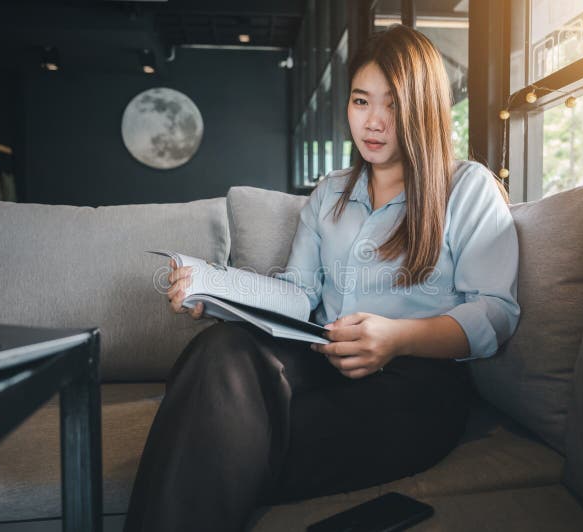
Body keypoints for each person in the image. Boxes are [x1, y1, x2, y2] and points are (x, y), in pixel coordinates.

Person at [123, 24, 519, 532]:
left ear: (424, 107)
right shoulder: (330, 193)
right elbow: (299, 293)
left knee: (217, 441)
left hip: (414, 383)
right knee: (219, 347)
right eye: (361, 101)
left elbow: (496, 312)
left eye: (393, 104)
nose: (373, 122)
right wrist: (219, 295)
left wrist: (397, 338)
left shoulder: (468, 189)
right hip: (320, 361)